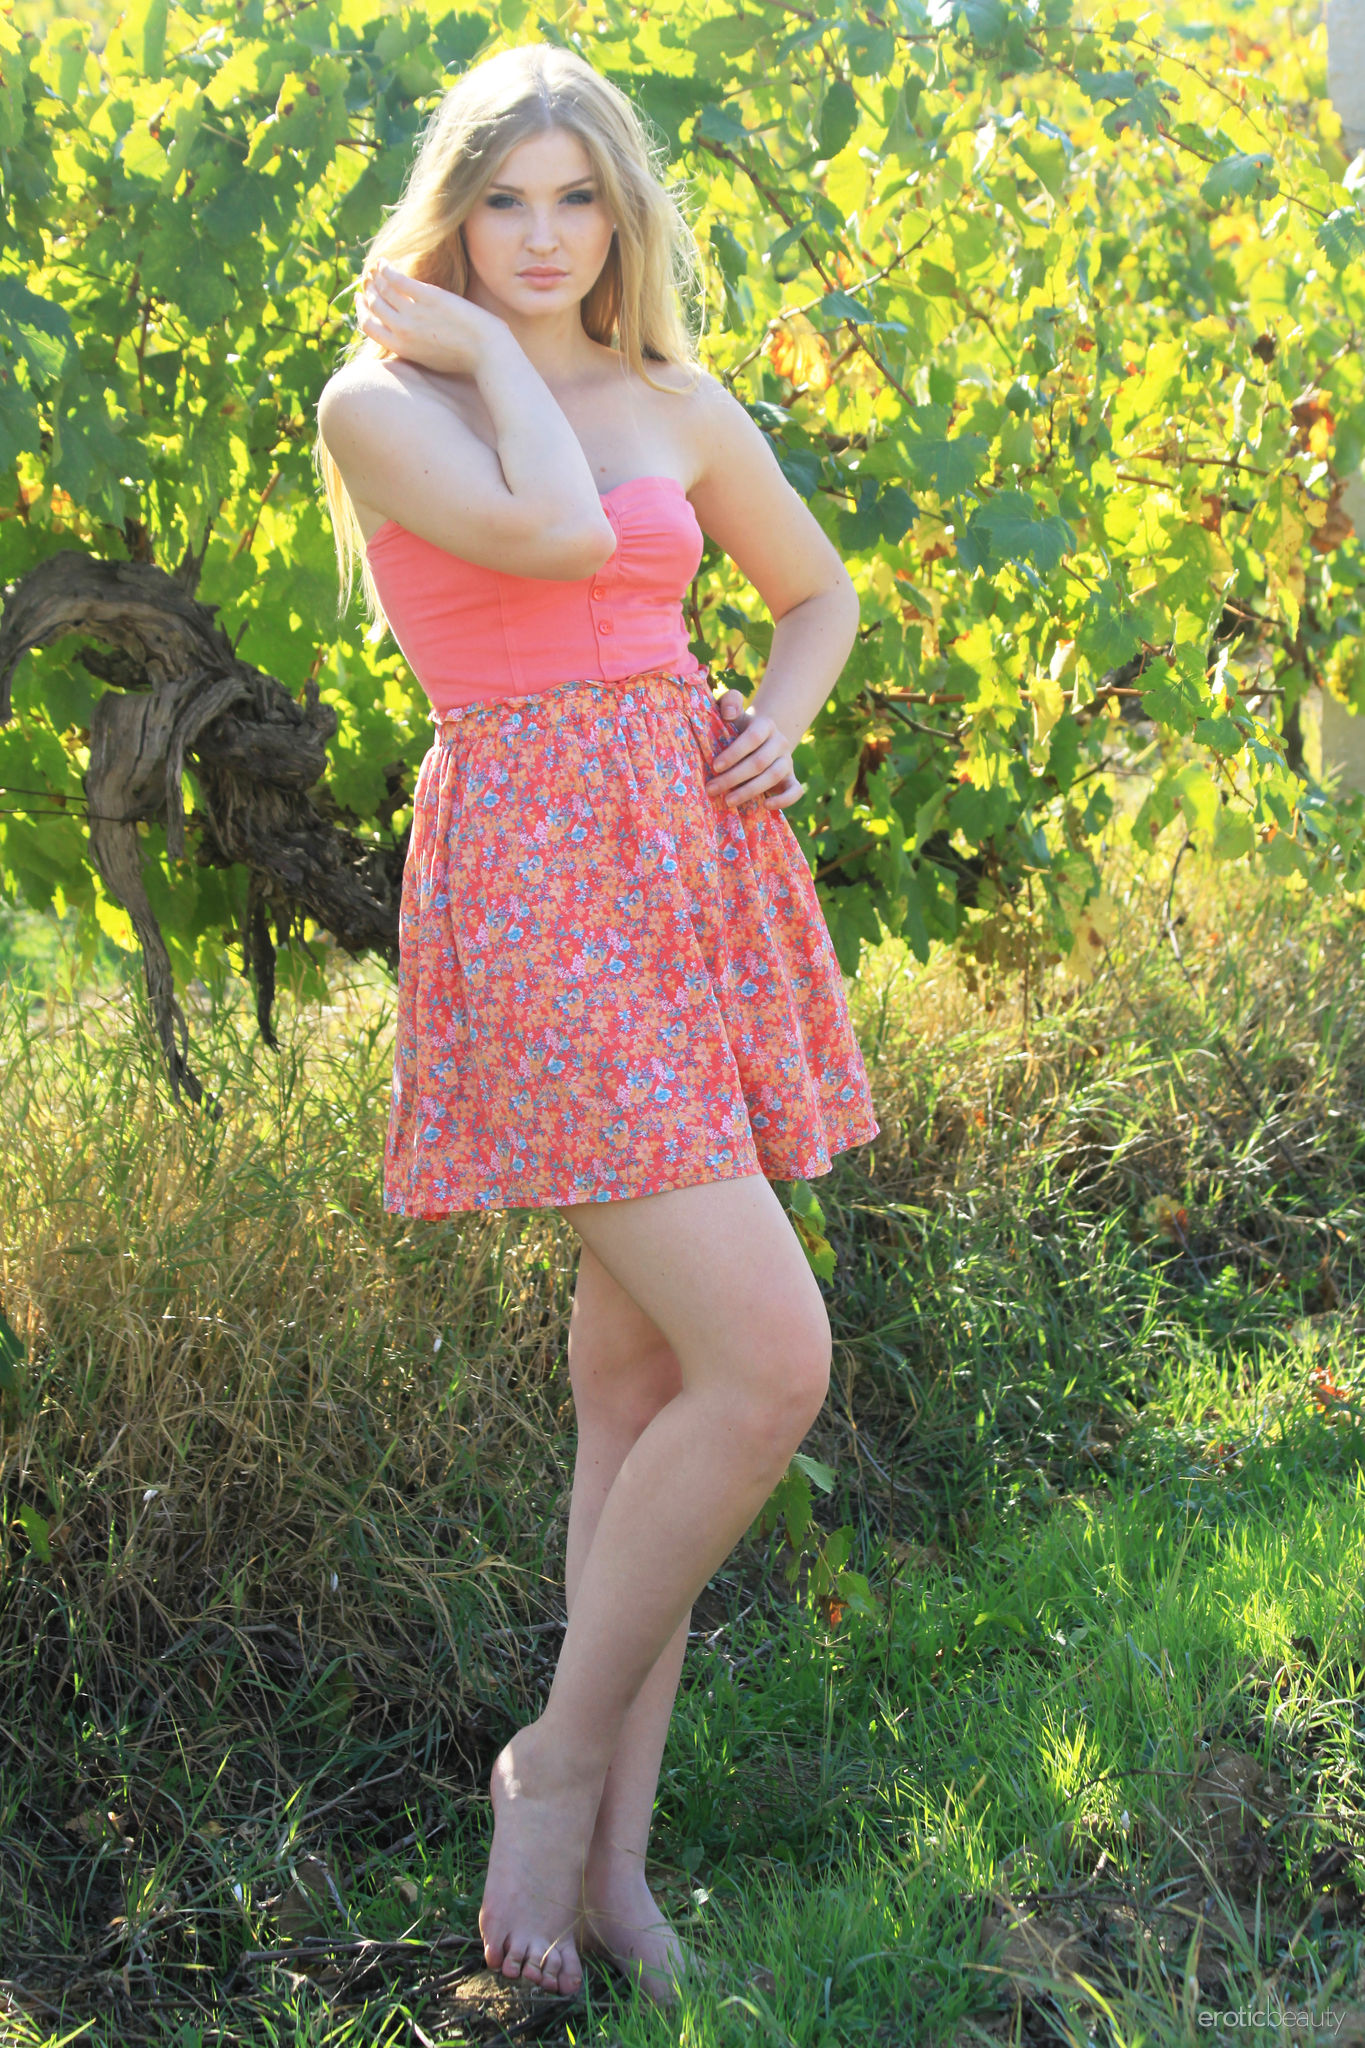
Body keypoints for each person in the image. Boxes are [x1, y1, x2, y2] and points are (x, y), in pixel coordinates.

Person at [313, 40, 879, 2010]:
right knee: (770, 1358)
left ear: (617, 215)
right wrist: (482, 354)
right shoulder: (386, 399)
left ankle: (611, 1881)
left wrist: (774, 725)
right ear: (453, 214)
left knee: (641, 1393)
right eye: (503, 201)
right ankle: (549, 1775)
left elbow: (814, 596)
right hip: (535, 876)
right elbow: (557, 542)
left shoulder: (674, 398)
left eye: (573, 199)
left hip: (688, 868)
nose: (540, 237)